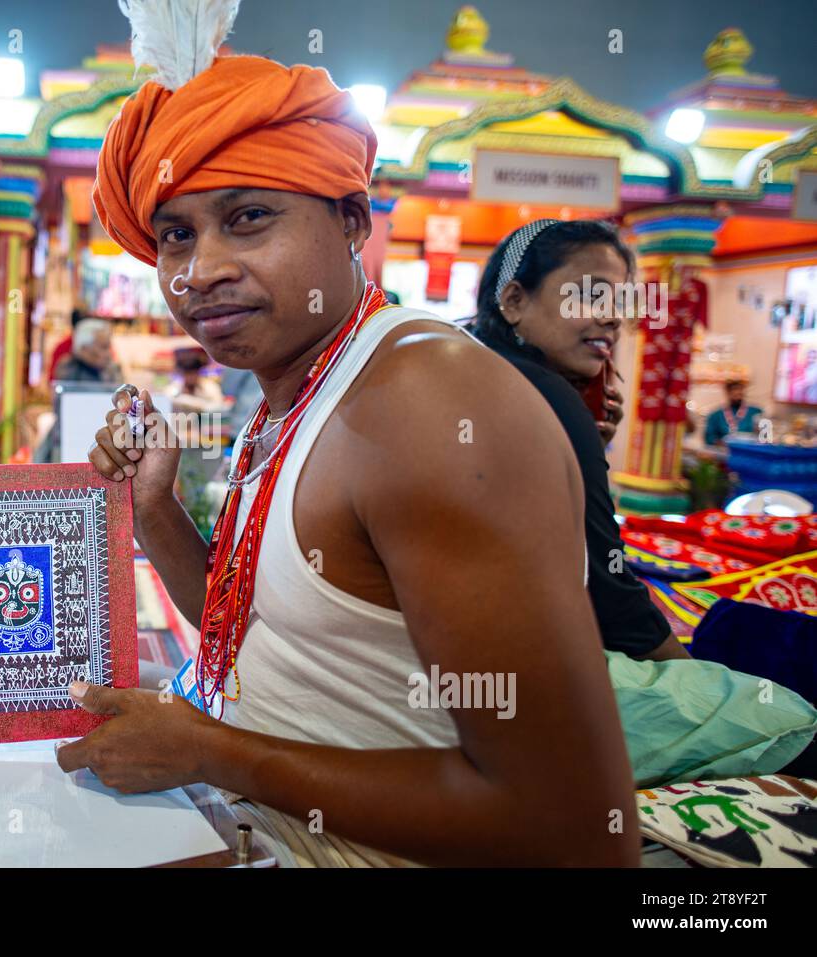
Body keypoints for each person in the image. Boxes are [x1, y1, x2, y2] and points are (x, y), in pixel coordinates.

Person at [59, 7, 637, 868]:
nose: (198, 268)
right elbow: (252, 632)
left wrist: (210, 750)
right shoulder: (297, 384)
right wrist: (155, 512)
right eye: (175, 233)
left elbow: (576, 829)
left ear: (353, 221)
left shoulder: (428, 406)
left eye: (248, 216)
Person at [472, 220, 689, 663]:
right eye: (589, 295)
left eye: (620, 301)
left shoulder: (468, 356)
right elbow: (611, 595)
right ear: (514, 300)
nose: (612, 317)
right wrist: (695, 674)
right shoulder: (546, 397)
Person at [51, 318, 123, 384]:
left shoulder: (112, 369)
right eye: (104, 347)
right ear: (84, 349)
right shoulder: (67, 370)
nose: (109, 354)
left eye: (109, 347)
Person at [703, 379, 763, 447]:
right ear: (727, 393)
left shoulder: (755, 412)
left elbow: (764, 436)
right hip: (724, 452)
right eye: (734, 392)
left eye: (740, 393)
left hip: (749, 451)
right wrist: (720, 444)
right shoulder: (715, 415)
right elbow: (709, 438)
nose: (737, 394)